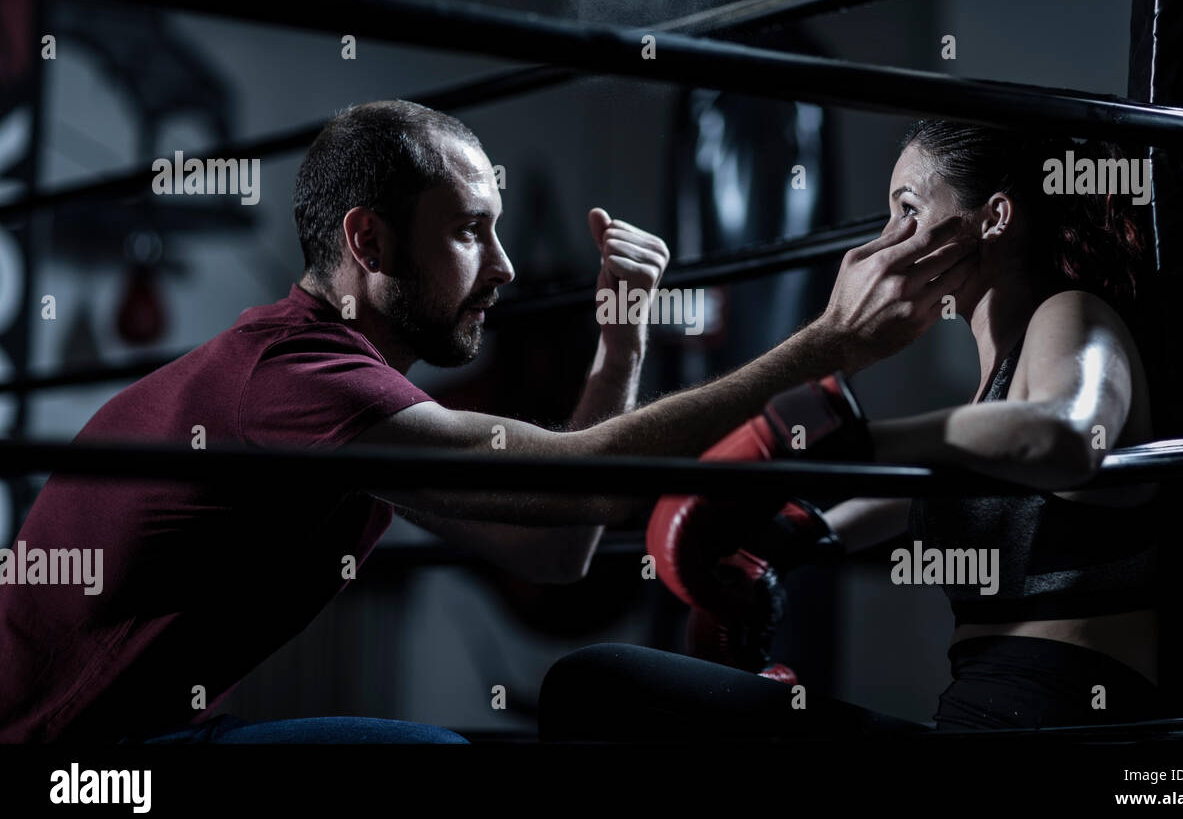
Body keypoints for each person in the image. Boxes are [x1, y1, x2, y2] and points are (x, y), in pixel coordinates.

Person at [0, 100, 976, 743]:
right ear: (368, 239)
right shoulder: (298, 380)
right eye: (470, 230)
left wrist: (620, 346)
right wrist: (825, 345)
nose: (505, 266)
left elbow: (549, 546)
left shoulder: (331, 374)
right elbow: (576, 476)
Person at [539, 118, 1168, 740]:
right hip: (977, 721)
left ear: (994, 218)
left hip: (1059, 729)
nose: (886, 241)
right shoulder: (993, 387)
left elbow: (1067, 435)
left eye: (906, 209)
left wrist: (854, 440)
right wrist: (784, 545)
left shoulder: (1070, 311)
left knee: (595, 682)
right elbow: (928, 481)